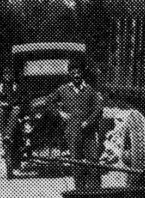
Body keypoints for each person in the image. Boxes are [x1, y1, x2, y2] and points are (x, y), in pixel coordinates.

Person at [30, 62, 105, 190]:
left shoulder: (89, 90)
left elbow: (99, 107)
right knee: (76, 160)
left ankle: (95, 191)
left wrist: (89, 121)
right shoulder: (63, 89)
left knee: (93, 160)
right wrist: (60, 113)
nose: (76, 74)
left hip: (88, 131)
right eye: (73, 72)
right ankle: (80, 192)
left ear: (82, 73)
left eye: (79, 72)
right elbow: (48, 101)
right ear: (70, 74)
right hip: (71, 130)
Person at [0, 66, 21, 139]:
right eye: (6, 74)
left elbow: (18, 97)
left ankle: (7, 135)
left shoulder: (15, 85)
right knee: (0, 113)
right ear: (3, 75)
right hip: (3, 106)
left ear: (12, 76)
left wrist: (10, 103)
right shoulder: (0, 85)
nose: (7, 76)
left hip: (13, 106)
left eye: (9, 74)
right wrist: (0, 103)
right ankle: (4, 135)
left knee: (15, 111)